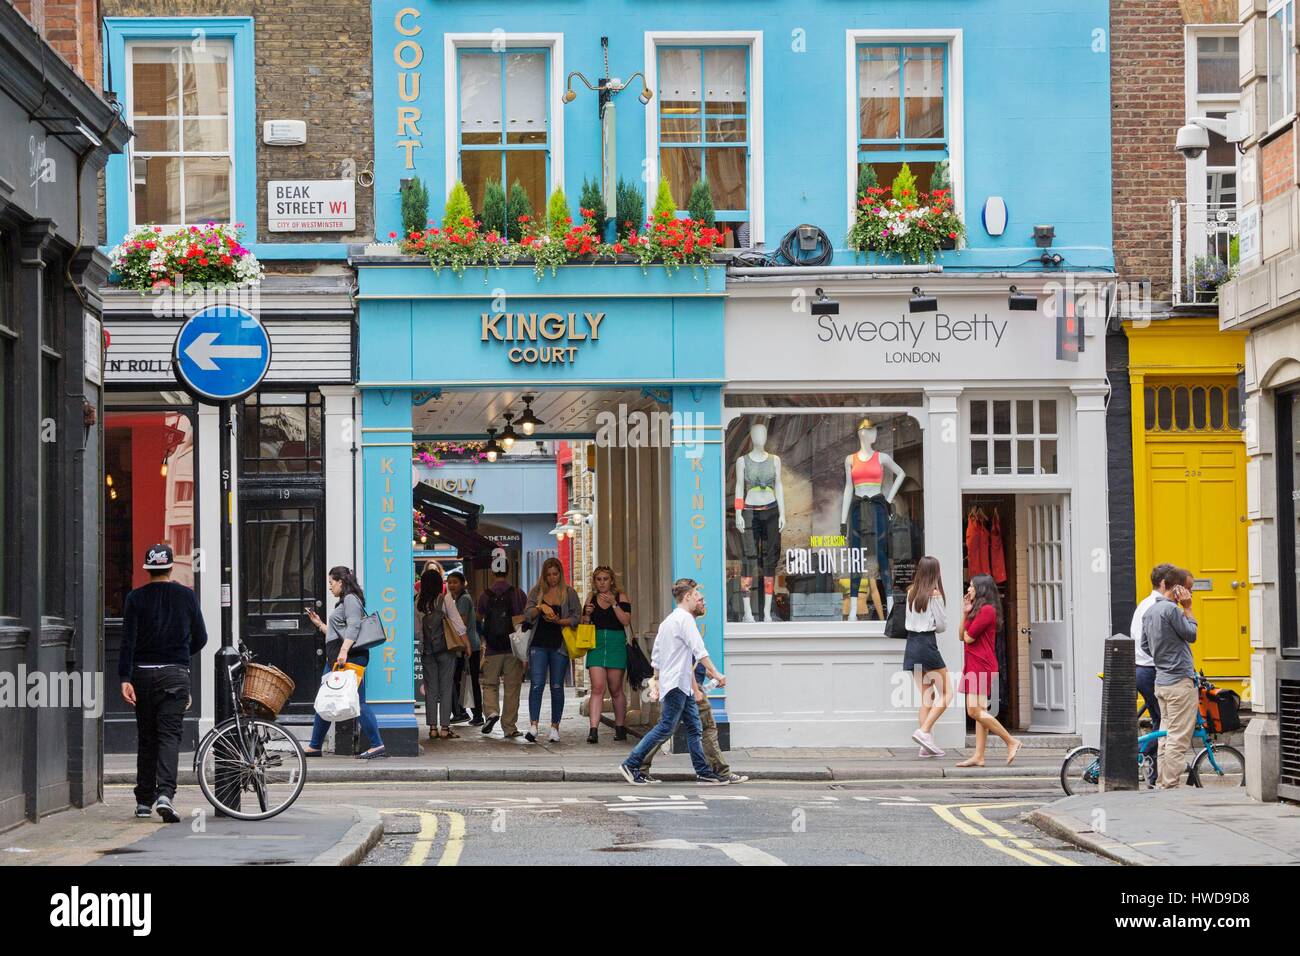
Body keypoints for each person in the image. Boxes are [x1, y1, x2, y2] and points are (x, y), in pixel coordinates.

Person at [119, 543, 208, 822]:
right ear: (170, 567)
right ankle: (165, 794)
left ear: (148, 569)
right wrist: (180, 653)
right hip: (174, 674)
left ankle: (143, 801)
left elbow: (128, 642)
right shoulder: (187, 597)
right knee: (170, 736)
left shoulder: (135, 598)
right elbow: (201, 637)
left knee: (147, 737)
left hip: (142, 674)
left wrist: (124, 678)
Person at [619, 578, 729, 786]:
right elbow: (699, 650)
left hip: (680, 683)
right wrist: (716, 674)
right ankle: (631, 764)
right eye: (697, 596)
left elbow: (657, 655)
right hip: (678, 683)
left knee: (694, 727)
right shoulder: (685, 620)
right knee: (666, 727)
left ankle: (704, 771)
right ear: (687, 597)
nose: (699, 599)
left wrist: (658, 678)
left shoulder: (668, 621)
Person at [305, 566, 386, 759]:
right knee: (326, 698)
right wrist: (319, 624)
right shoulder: (343, 602)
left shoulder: (350, 599)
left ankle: (377, 744)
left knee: (356, 701)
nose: (330, 587)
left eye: (331, 583)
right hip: (338, 657)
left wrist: (343, 651)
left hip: (346, 658)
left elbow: (354, 626)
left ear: (341, 582)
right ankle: (315, 745)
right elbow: (337, 633)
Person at [640, 660, 747, 784]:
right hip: (690, 687)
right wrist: (700, 687)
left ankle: (640, 766)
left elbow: (694, 660)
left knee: (666, 729)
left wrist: (708, 673)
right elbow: (690, 662)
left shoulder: (672, 640)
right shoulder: (689, 639)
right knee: (707, 729)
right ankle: (720, 771)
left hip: (677, 687)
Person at [955, 575, 1022, 767]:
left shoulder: (987, 611)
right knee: (980, 711)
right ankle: (979, 756)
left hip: (981, 664)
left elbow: (968, 638)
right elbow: (961, 636)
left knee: (974, 711)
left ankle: (1011, 741)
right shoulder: (977, 610)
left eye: (972, 587)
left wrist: (968, 617)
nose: (969, 590)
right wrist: (965, 613)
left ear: (982, 589)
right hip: (975, 663)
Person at [1143, 566, 1198, 789]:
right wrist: (1188, 608)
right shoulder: (1172, 610)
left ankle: (1162, 782)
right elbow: (1191, 634)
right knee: (1178, 738)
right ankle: (1170, 786)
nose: (1188, 593)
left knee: (1165, 736)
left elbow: (1145, 646)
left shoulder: (1149, 612)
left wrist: (1162, 657)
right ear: (1175, 588)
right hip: (1179, 683)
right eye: (1186, 589)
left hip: (1162, 682)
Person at [523, 557, 581, 742]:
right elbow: (527, 614)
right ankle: (533, 726)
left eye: (555, 574)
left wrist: (559, 621)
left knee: (557, 686)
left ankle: (555, 727)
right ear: (544, 575)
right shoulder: (537, 591)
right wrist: (541, 607)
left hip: (560, 645)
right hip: (538, 644)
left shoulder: (569, 592)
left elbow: (576, 617)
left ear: (560, 574)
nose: (552, 578)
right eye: (548, 575)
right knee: (537, 685)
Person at [903, 555, 951, 758]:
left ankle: (925, 746)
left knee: (926, 697)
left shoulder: (910, 592)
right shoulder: (935, 594)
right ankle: (923, 732)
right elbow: (941, 626)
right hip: (927, 644)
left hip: (911, 645)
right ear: (935, 573)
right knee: (948, 693)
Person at [1131, 562, 1174, 782]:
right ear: (1165, 583)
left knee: (1158, 716)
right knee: (1163, 720)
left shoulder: (1144, 604)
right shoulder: (1158, 607)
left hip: (1140, 668)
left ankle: (1152, 766)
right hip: (1150, 669)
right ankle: (1144, 755)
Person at [581, 565, 632, 743]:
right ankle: (593, 729)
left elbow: (625, 621)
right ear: (595, 582)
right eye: (598, 579)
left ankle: (620, 726)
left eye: (605, 579)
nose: (602, 582)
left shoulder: (620, 597)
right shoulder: (591, 598)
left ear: (611, 581)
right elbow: (585, 626)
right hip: (596, 644)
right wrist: (587, 616)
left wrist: (614, 604)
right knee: (597, 687)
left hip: (616, 644)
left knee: (616, 688)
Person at [477, 564, 527, 738]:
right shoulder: (518, 593)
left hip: (492, 648)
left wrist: (483, 639)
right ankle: (509, 727)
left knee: (489, 684)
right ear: (508, 571)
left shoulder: (485, 595)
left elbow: (478, 620)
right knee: (512, 688)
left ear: (492, 572)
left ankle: (491, 712)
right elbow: (524, 619)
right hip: (513, 647)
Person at [419, 567, 467, 739]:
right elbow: (459, 625)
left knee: (431, 689)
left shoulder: (417, 602)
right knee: (446, 688)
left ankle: (433, 728)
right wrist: (467, 645)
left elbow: (417, 630)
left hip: (426, 650)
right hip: (445, 649)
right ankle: (445, 728)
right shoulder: (444, 599)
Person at [448, 571, 483, 726]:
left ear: (463, 584)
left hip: (468, 646)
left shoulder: (463, 600)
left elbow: (461, 623)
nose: (451, 585)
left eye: (455, 582)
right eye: (449, 582)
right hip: (467, 645)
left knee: (469, 680)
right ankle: (467, 713)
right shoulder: (459, 599)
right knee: (465, 680)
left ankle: (472, 714)